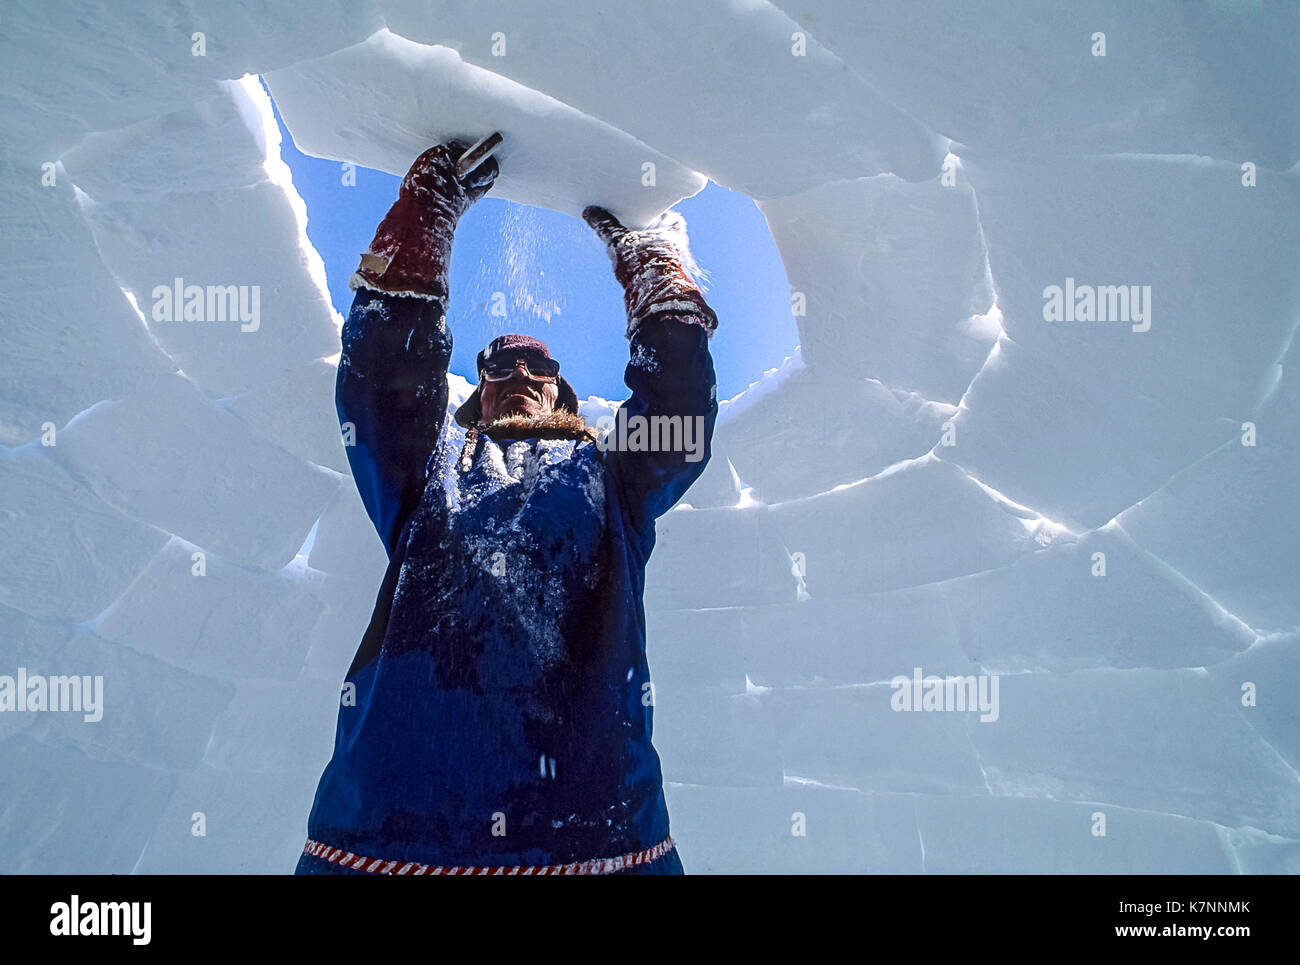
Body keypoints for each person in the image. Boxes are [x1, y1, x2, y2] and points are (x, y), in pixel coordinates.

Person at [294, 140, 719, 875]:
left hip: (602, 837)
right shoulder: (431, 471)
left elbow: (680, 418)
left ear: (562, 392)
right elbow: (380, 391)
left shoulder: (612, 477)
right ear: (477, 389)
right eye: (499, 362)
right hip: (386, 837)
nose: (520, 371)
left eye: (541, 365)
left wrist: (655, 277)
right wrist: (421, 223)